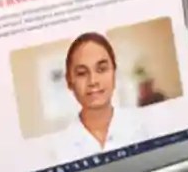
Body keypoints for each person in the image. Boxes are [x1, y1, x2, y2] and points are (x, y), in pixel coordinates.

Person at [51, 32, 147, 163]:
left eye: (101, 69)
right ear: (69, 81)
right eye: (82, 73)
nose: (93, 81)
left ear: (114, 72)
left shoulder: (143, 127)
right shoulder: (58, 150)